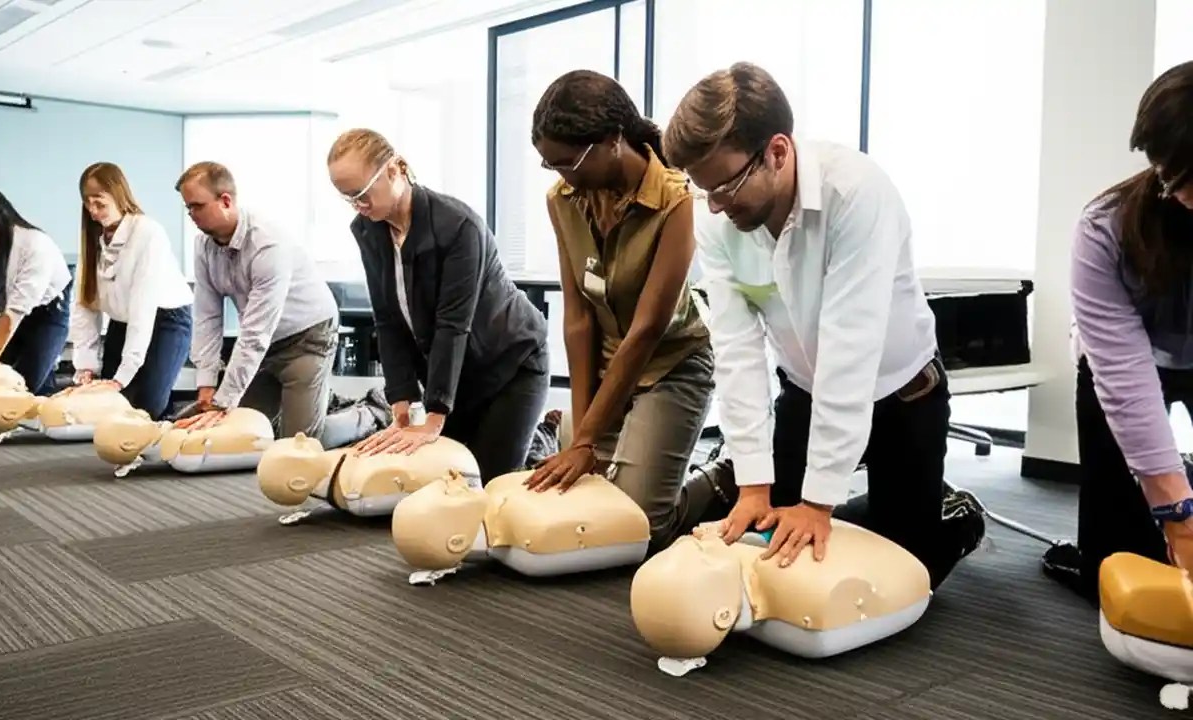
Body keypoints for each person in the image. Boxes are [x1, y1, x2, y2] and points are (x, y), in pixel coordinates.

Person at [662, 62, 984, 590]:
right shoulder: (721, 217)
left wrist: (817, 503)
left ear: (778, 152)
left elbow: (848, 352)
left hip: (903, 393)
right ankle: (863, 508)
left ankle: (956, 513)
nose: (715, 205)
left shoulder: (856, 194)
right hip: (807, 392)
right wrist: (753, 486)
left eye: (724, 186)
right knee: (775, 543)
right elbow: (738, 354)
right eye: (704, 191)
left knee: (903, 571)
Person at [525, 70, 719, 550]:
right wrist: (580, 437)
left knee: (637, 527)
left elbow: (649, 328)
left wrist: (586, 436)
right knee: (589, 506)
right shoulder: (563, 200)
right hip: (610, 361)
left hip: (671, 364)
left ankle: (723, 480)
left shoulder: (677, 200)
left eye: (569, 162)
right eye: (550, 166)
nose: (562, 176)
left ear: (613, 140)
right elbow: (577, 318)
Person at [1041, 61, 1193, 600]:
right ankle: (1093, 561)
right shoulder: (1105, 229)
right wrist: (1176, 513)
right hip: (1129, 360)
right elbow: (1126, 378)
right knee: (1115, 562)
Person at [328, 129, 550, 483]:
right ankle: (529, 441)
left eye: (362, 193)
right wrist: (401, 400)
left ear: (395, 169)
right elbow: (387, 319)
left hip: (511, 364)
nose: (358, 206)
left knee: (488, 485)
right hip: (458, 375)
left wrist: (434, 416)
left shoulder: (458, 226)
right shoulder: (368, 231)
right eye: (347, 198)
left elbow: (452, 324)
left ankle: (541, 440)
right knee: (443, 482)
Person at [174, 161, 340, 438]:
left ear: (225, 200)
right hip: (266, 347)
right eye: (187, 207)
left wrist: (224, 401)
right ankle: (315, 402)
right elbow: (207, 317)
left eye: (197, 206)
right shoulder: (202, 246)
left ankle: (367, 414)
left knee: (298, 443)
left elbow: (255, 332)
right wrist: (206, 387)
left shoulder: (267, 243)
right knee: (239, 433)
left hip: (308, 337)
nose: (191, 214)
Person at [68, 162, 194, 420]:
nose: (92, 212)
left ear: (119, 196)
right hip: (123, 321)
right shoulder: (92, 238)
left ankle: (171, 427)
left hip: (165, 320)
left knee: (145, 408)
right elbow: (85, 306)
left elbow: (143, 308)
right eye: (87, 203)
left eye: (99, 203)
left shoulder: (148, 233)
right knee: (111, 407)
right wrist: (85, 365)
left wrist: (122, 377)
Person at [0, 188, 72, 396]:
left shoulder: (34, 243)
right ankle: (45, 386)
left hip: (50, 311)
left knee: (23, 383)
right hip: (14, 313)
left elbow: (16, 308)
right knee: (0, 379)